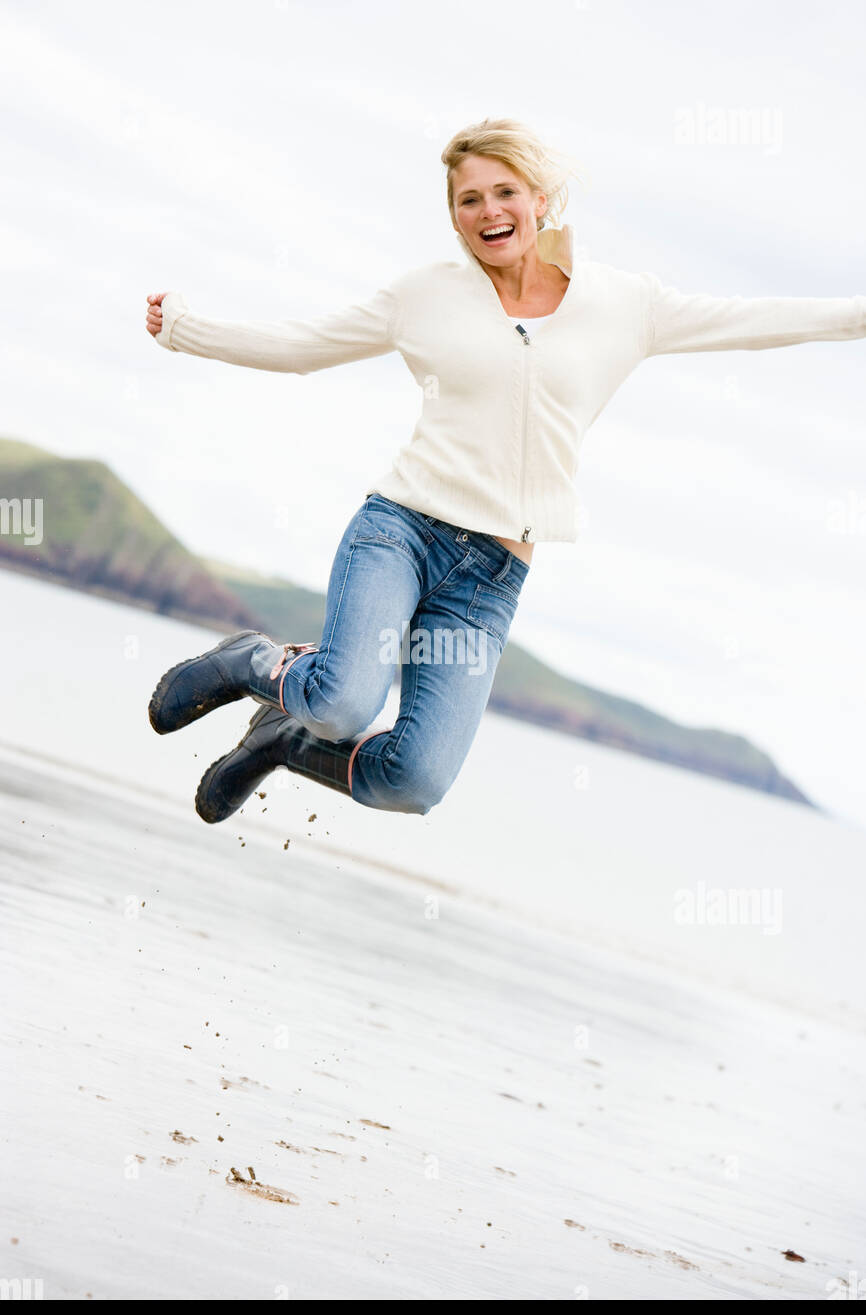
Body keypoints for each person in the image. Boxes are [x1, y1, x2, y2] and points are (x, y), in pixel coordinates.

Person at [145, 116, 866, 822]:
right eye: (469, 199)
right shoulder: (424, 296)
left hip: (489, 579)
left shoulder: (623, 305)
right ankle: (251, 663)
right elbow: (303, 346)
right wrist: (185, 328)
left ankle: (285, 741)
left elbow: (754, 320)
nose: (489, 210)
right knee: (342, 699)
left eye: (505, 191)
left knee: (413, 782)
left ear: (540, 200)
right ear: (456, 219)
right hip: (401, 533)